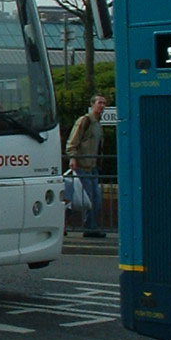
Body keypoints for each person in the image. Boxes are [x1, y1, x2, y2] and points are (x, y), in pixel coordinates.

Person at [65, 94, 108, 238]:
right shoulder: (85, 121)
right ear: (93, 104)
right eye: (100, 102)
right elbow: (73, 141)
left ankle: (90, 227)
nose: (102, 106)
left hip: (93, 167)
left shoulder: (98, 124)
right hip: (82, 166)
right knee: (83, 199)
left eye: (104, 103)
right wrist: (73, 157)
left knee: (92, 200)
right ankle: (87, 226)